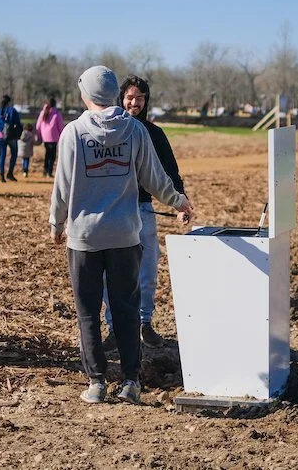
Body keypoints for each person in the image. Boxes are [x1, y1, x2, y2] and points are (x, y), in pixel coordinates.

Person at [50, 66, 194, 406]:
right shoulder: (135, 130)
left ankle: (96, 383)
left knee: (88, 311)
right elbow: (154, 177)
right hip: (126, 234)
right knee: (127, 308)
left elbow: (62, 185)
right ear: (115, 94)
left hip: (85, 237)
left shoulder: (73, 133)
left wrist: (56, 224)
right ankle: (131, 382)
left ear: (85, 94)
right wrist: (178, 200)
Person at [102, 76, 184, 351]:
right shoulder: (109, 131)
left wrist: (180, 203)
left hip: (143, 209)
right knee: (111, 274)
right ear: (121, 98)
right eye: (130, 97)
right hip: (113, 210)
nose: (134, 103)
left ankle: (144, 323)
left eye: (140, 98)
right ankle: (114, 328)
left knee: (146, 271)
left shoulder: (154, 133)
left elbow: (170, 171)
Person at [0, 95, 22, 182]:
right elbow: (17, 123)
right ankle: (10, 173)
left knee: (2, 155)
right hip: (11, 135)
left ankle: (1, 175)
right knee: (14, 154)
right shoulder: (12, 110)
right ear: (9, 102)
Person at [36, 97, 66, 177]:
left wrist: (39, 135)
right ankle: (49, 171)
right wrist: (62, 135)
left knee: (47, 154)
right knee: (52, 156)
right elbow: (60, 126)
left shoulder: (43, 112)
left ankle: (45, 170)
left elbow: (38, 125)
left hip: (45, 137)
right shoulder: (57, 113)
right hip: (54, 137)